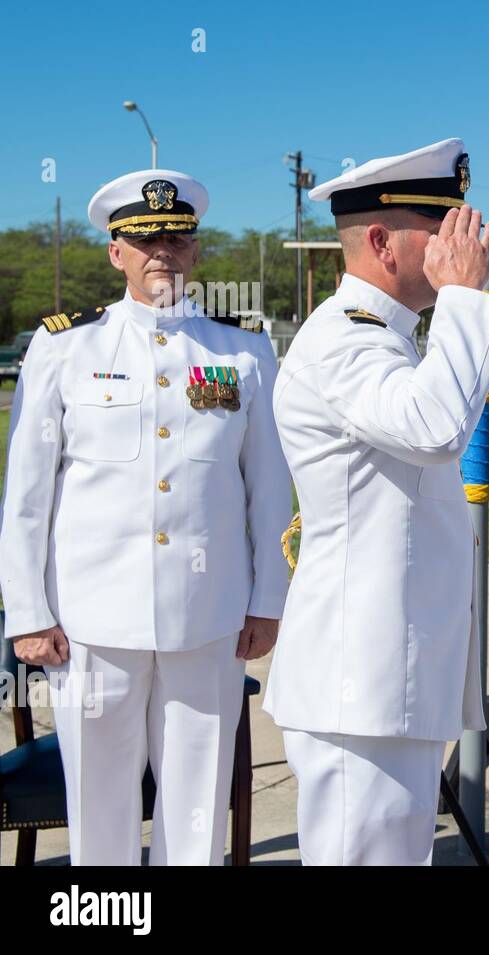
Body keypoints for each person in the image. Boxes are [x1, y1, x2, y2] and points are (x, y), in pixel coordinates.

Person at [0, 169, 290, 864]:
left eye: (175, 236)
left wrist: (267, 598)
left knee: (197, 811)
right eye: (144, 238)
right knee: (99, 813)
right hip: (91, 624)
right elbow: (27, 491)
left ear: (194, 251)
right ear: (115, 252)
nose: (162, 249)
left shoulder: (243, 352)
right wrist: (27, 612)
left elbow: (269, 488)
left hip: (209, 617)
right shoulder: (67, 347)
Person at [263, 139, 489, 865]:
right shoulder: (343, 341)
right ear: (380, 241)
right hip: (359, 683)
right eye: (441, 228)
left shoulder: (394, 342)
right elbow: (436, 430)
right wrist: (466, 297)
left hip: (388, 683)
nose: (462, 243)